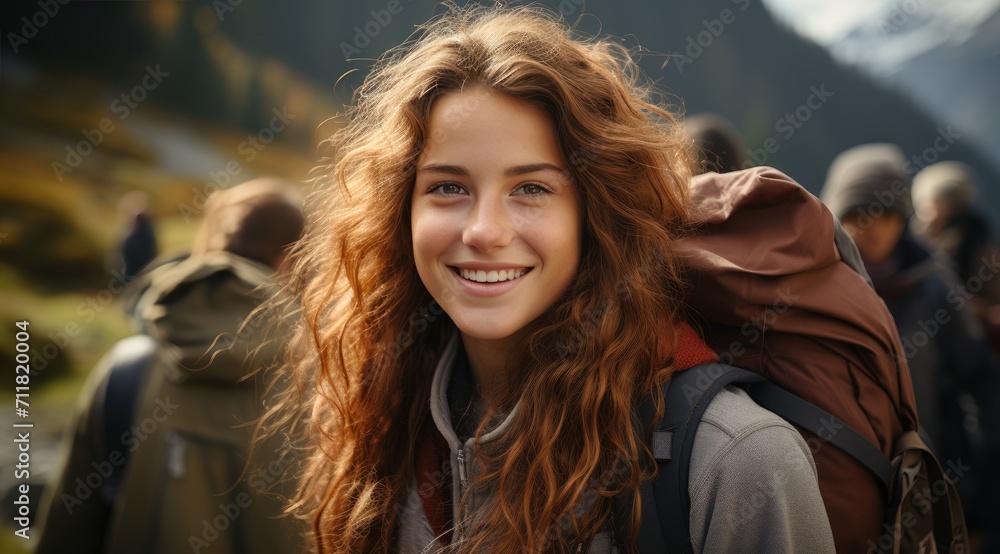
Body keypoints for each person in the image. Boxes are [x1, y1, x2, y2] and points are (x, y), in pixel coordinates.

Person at [270, 5, 835, 553]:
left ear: (596, 216)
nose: (484, 231)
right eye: (447, 186)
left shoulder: (734, 463)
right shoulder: (385, 423)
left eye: (532, 188)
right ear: (402, 212)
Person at [34, 178, 307, 554]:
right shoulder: (333, 390)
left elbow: (65, 534)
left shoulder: (126, 371)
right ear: (293, 261)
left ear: (211, 243)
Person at [821, 144, 999, 545]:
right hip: (846, 490)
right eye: (858, 215)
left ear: (905, 217)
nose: (875, 227)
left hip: (933, 482)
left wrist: (982, 483)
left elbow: (979, 375)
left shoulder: (933, 283)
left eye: (888, 214)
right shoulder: (818, 287)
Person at [911, 161, 1000, 355]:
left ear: (952, 204)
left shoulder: (979, 245)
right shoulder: (918, 235)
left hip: (966, 343)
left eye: (931, 204)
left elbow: (991, 302)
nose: (924, 212)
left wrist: (954, 304)